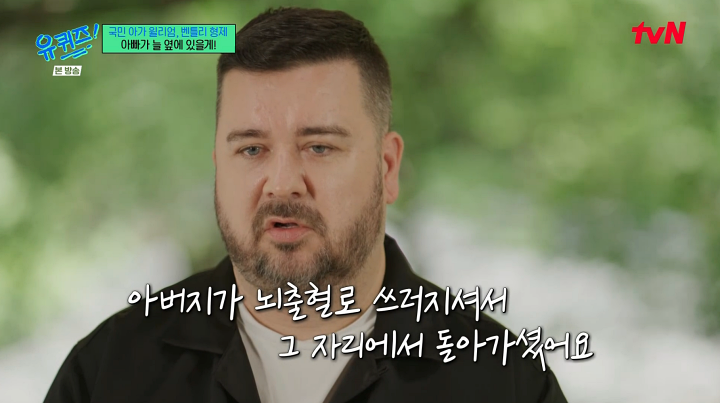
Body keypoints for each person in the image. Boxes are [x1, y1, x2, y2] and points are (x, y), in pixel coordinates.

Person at [44, 7, 567, 403]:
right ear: (219, 166)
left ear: (387, 168)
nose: (282, 184)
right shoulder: (108, 374)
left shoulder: (506, 383)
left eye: (319, 147)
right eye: (252, 149)